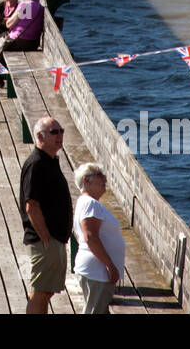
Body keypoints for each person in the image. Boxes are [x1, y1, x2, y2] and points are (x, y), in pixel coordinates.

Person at [20, 116, 73, 314]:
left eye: (61, 131)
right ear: (39, 137)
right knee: (40, 293)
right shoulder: (36, 164)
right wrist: (45, 237)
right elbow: (31, 205)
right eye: (54, 132)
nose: (59, 136)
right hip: (45, 241)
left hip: (54, 239)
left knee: (47, 292)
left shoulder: (49, 161)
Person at [72, 162, 124, 314]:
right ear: (86, 181)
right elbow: (90, 237)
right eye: (100, 175)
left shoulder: (86, 202)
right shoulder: (91, 204)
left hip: (94, 270)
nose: (105, 179)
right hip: (98, 272)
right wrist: (110, 265)